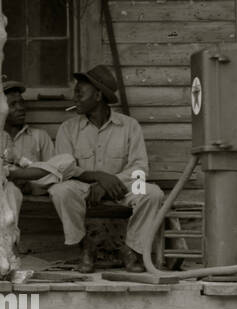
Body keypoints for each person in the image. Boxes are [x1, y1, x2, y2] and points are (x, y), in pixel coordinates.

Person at [47, 65, 163, 273]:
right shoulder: (68, 129)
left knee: (153, 194)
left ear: (98, 95)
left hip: (121, 189)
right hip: (83, 189)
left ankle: (131, 250)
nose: (75, 97)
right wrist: (98, 178)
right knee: (60, 191)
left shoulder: (129, 126)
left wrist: (113, 181)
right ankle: (85, 248)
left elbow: (140, 168)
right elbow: (62, 169)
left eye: (79, 92)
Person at [1, 77, 57, 220]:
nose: (20, 108)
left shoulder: (39, 136)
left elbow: (54, 175)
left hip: (37, 212)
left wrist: (31, 186)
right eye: (13, 104)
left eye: (21, 102)